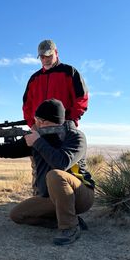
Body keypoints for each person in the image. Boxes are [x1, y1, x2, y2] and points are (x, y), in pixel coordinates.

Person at [0, 99, 95, 246]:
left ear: (45, 121)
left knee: (56, 175)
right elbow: (8, 150)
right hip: (51, 199)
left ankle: (70, 227)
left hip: (80, 196)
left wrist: (38, 142)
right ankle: (65, 219)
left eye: (38, 120)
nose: (36, 123)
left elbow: (62, 163)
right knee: (17, 215)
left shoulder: (75, 136)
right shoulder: (38, 136)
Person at [23, 39, 89, 194]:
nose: (45, 59)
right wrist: (32, 125)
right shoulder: (34, 78)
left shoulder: (69, 72)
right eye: (42, 57)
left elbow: (82, 99)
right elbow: (27, 105)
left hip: (63, 134)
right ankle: (40, 206)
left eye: (48, 55)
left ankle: (68, 207)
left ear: (56, 53)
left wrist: (69, 120)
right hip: (40, 133)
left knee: (64, 171)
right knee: (38, 170)